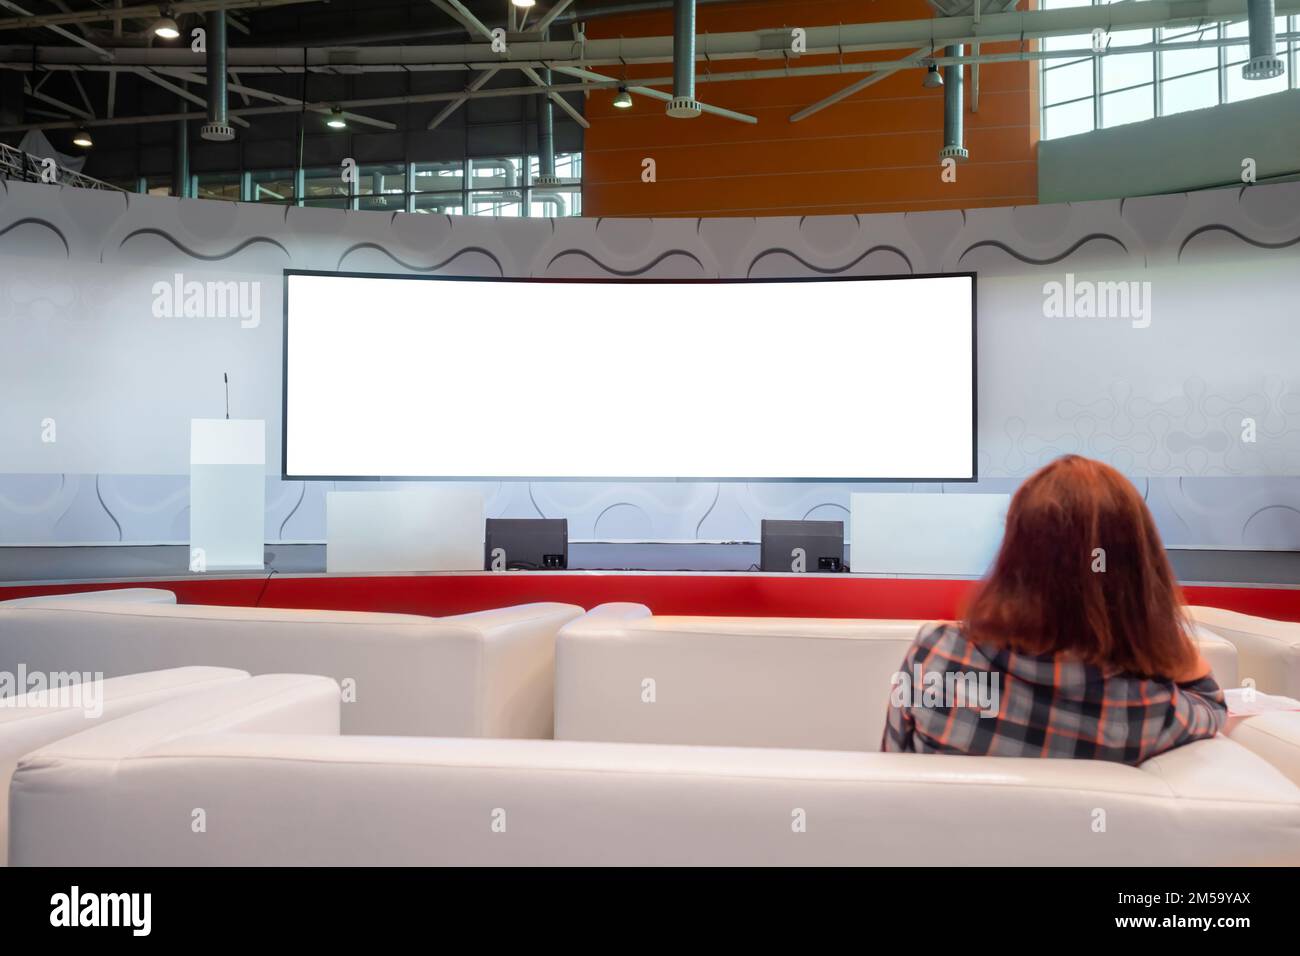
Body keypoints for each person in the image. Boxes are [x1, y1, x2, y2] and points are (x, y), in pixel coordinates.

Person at [882, 454, 1226, 765]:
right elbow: (1211, 704)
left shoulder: (937, 656)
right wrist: (1154, 630)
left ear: (1014, 553)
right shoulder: (1146, 713)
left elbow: (891, 769)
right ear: (1137, 572)